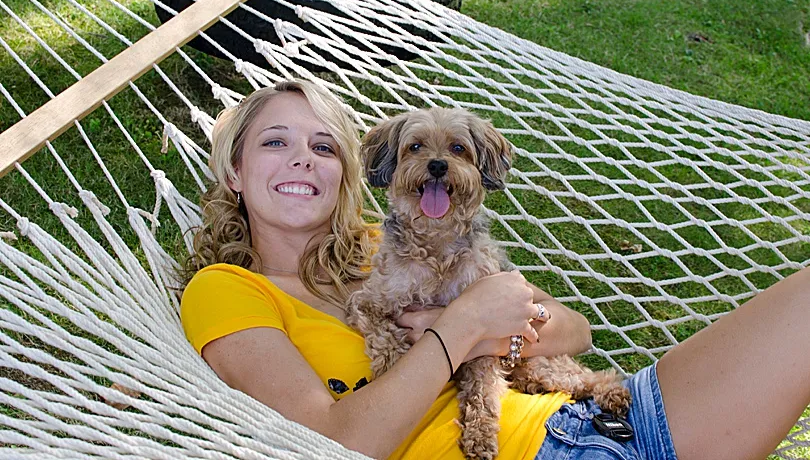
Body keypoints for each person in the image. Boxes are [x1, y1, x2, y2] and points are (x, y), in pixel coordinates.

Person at [179, 79, 810, 460]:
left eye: (322, 148)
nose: (302, 162)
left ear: (347, 170)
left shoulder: (394, 240)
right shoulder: (227, 292)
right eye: (274, 142)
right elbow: (339, 444)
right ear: (233, 172)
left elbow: (576, 329)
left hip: (611, 413)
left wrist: (506, 324)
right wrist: (459, 328)